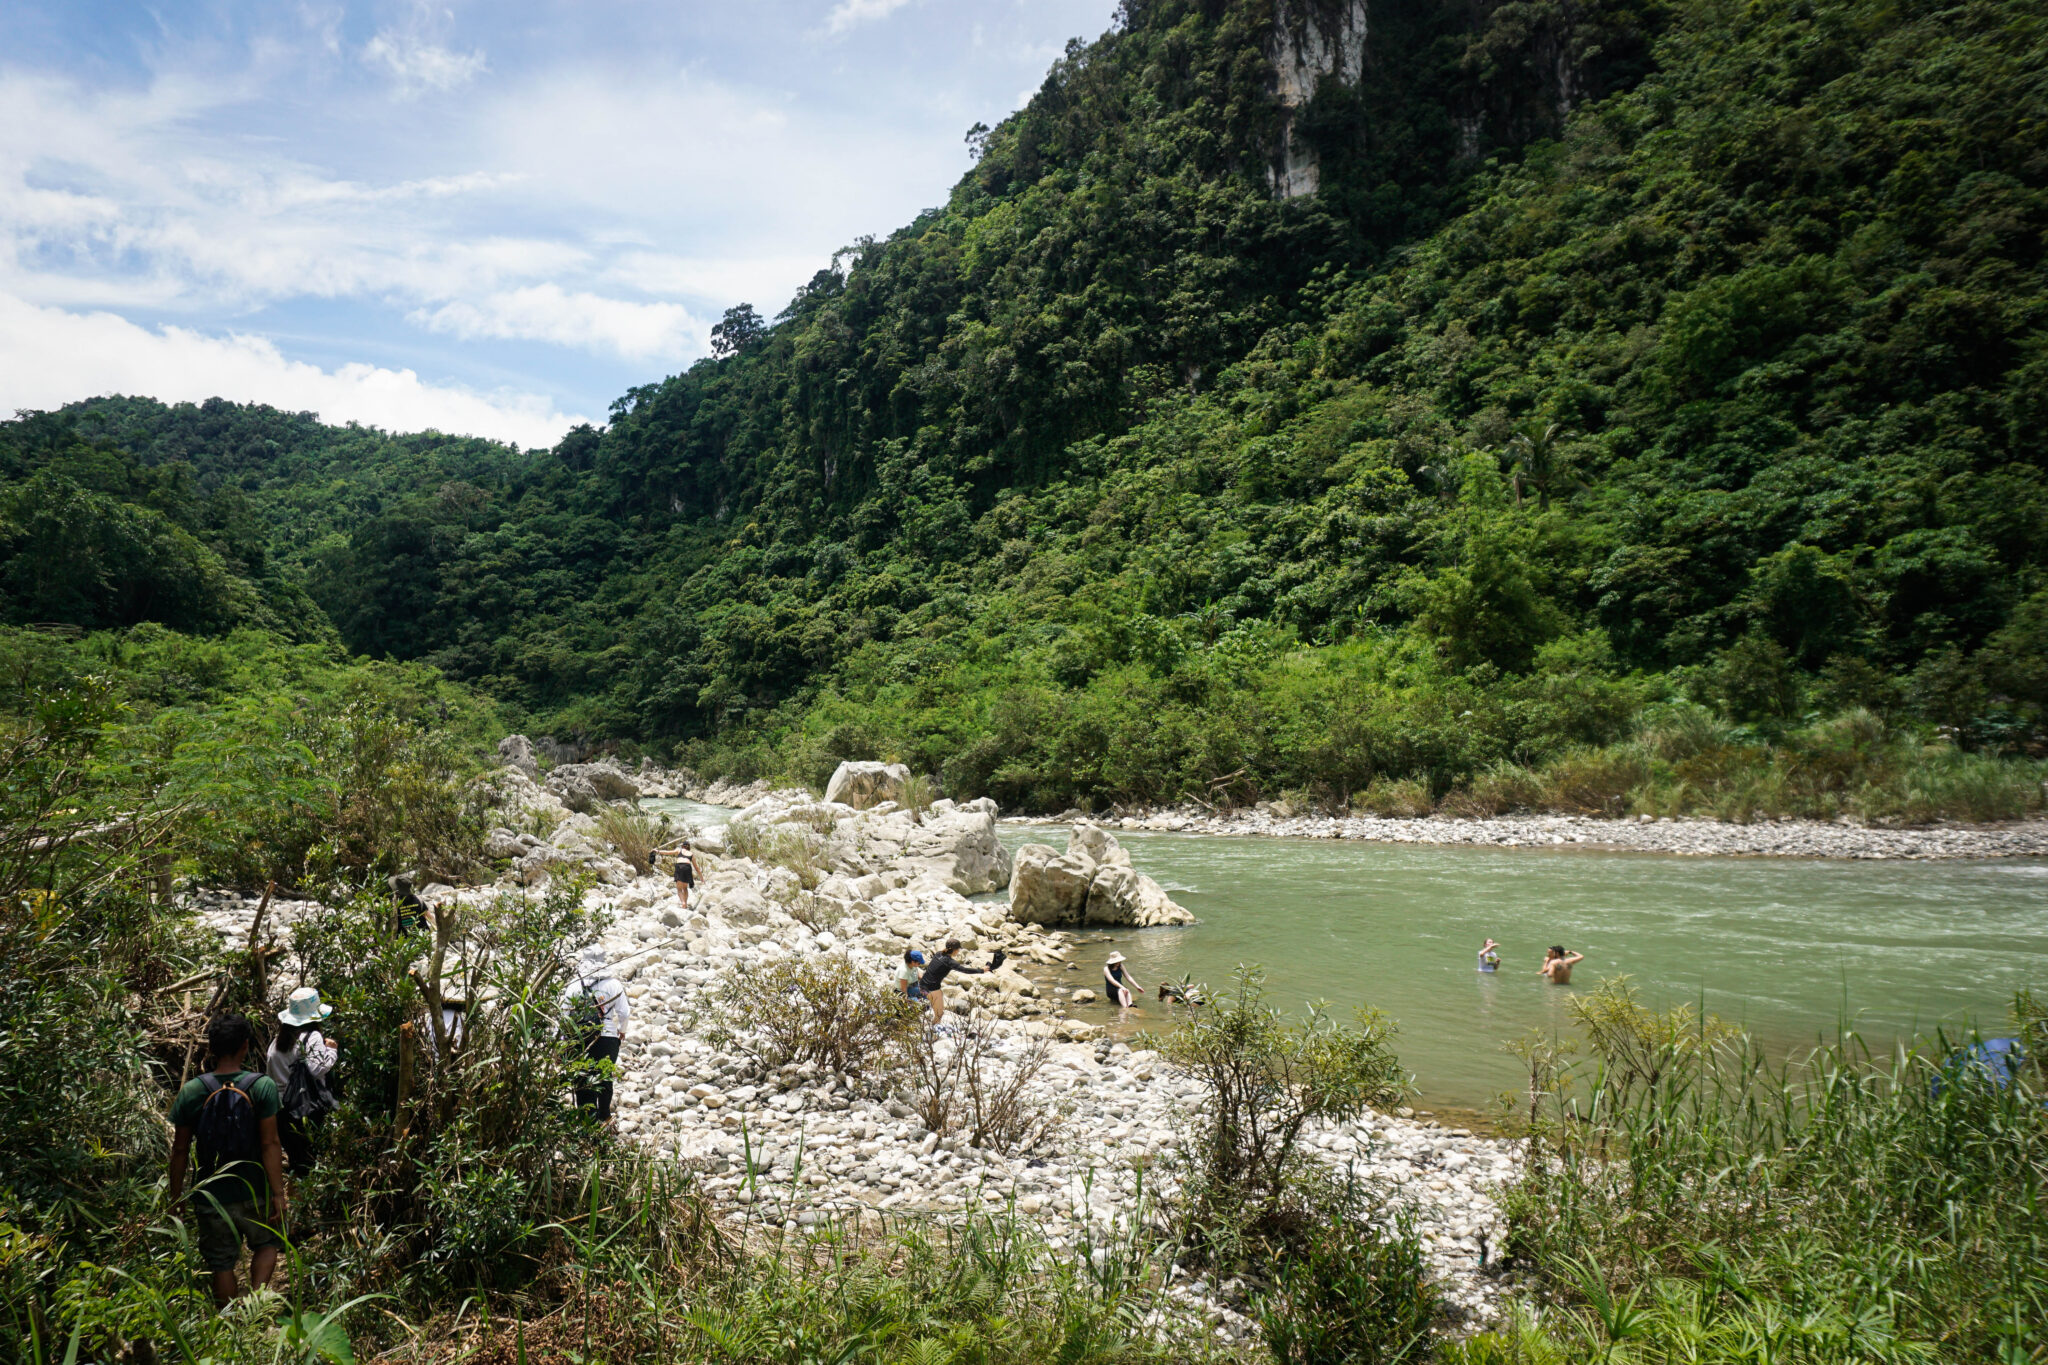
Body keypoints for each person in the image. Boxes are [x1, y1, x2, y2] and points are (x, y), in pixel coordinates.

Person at [167, 1013, 286, 1308]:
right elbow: (270, 1143)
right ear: (245, 1046)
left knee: (221, 1262)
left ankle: (228, 1320)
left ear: (211, 1048)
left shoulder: (192, 1091)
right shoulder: (262, 1087)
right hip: (255, 1188)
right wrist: (278, 1193)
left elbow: (179, 1150)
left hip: (211, 1195)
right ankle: (254, 1308)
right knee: (267, 1243)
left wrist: (176, 1194)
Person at [266, 987, 338, 1172]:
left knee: (296, 1158)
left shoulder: (277, 1041)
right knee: (311, 1160)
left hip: (281, 1110)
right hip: (305, 1109)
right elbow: (318, 1069)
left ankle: (295, 1193)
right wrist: (332, 1049)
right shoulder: (312, 1037)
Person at [566, 945, 630, 1122]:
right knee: (604, 1075)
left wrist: (563, 1042)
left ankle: (586, 1120)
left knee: (582, 1077)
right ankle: (604, 1116)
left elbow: (564, 1015)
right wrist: (621, 1031)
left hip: (580, 1037)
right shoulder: (613, 984)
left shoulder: (572, 986)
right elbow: (624, 1013)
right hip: (607, 1036)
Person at [918, 939, 1005, 1024]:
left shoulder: (938, 954)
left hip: (922, 985)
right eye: (958, 949)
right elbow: (965, 970)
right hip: (932, 989)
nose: (958, 951)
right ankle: (933, 1032)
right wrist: (982, 970)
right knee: (939, 1014)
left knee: (931, 1008)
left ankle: (925, 1026)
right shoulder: (949, 962)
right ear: (955, 950)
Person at [651, 842, 697, 910]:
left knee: (679, 889)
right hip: (687, 868)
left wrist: (658, 851)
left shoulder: (678, 850)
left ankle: (683, 903)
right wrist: (701, 878)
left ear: (682, 846)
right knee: (685, 888)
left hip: (679, 867)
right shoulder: (691, 854)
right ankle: (685, 903)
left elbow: (668, 852)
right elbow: (696, 867)